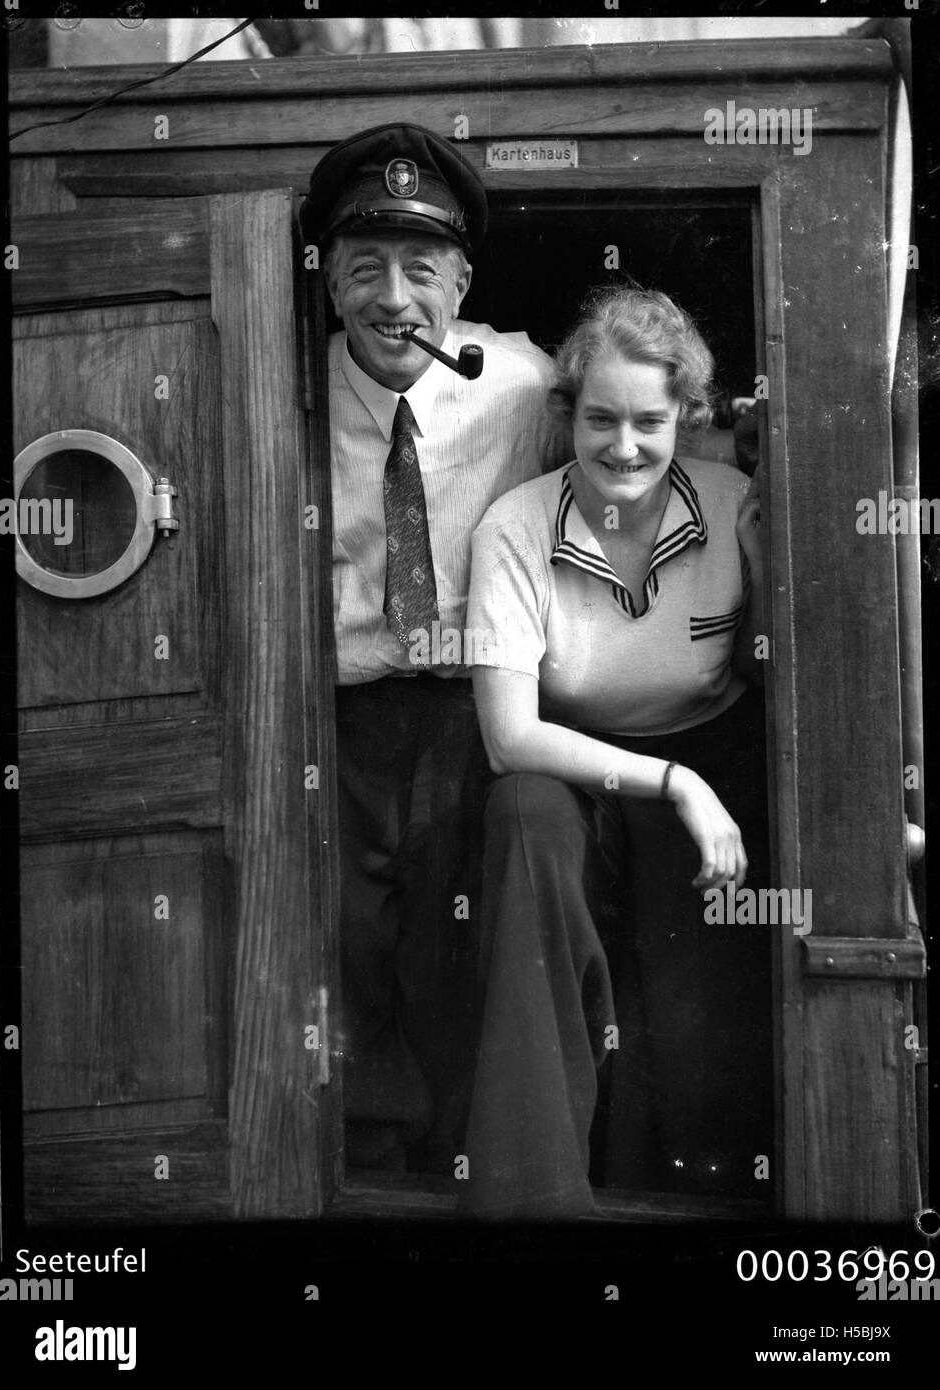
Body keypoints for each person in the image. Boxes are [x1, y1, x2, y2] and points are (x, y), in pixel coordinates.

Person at [459, 286, 771, 1218]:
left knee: (692, 1007)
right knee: (521, 816)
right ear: (568, 415)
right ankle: (531, 1199)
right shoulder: (515, 526)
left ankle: (718, 1196)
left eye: (649, 421)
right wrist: (676, 784)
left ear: (689, 419)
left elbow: (780, 675)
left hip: (711, 754)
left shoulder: (734, 504)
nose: (622, 447)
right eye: (599, 418)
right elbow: (509, 737)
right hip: (573, 767)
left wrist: (764, 564)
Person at [299, 124, 559, 1171]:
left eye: (421, 269)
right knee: (346, 935)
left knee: (453, 937)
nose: (393, 299)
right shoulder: (287, 391)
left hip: (469, 709)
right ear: (326, 282)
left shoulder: (526, 387)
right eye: (365, 268)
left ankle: (455, 1162)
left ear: (460, 278)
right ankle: (363, 1159)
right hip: (334, 711)